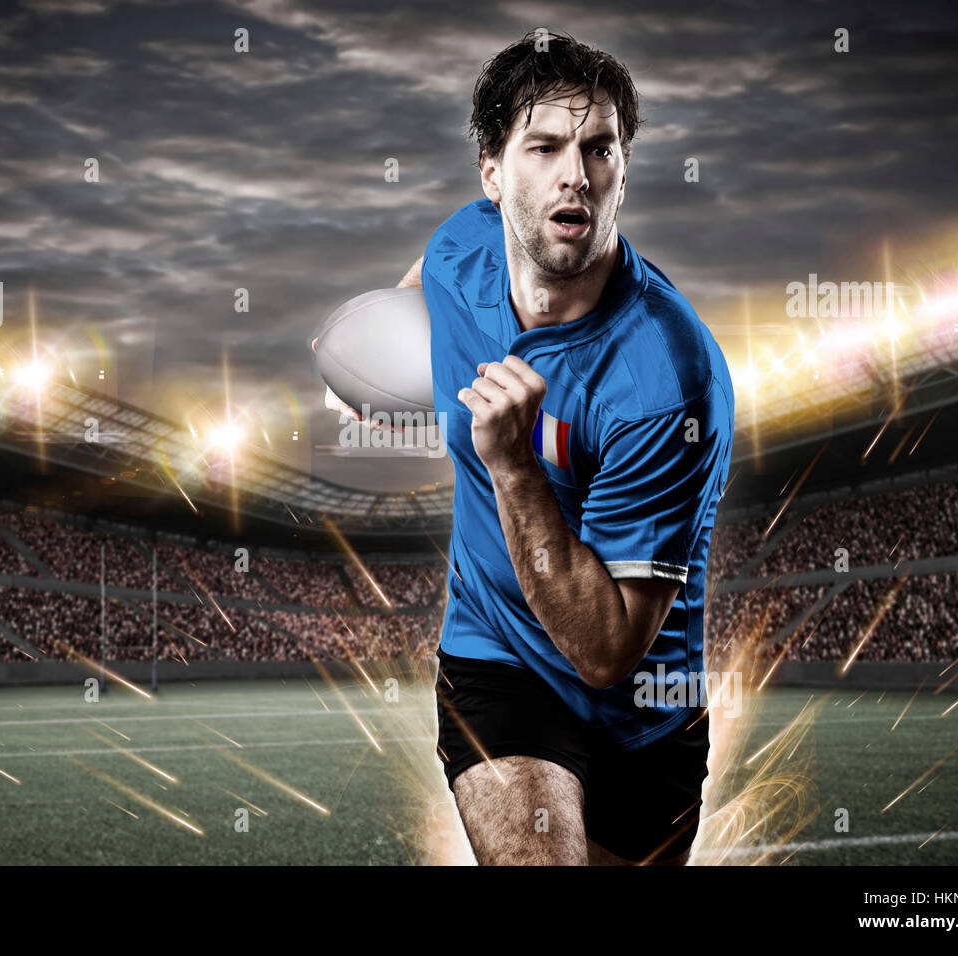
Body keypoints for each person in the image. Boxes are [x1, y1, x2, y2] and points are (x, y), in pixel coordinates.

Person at [335, 31, 734, 865]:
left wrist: (512, 465)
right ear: (492, 172)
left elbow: (606, 650)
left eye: (599, 149)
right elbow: (420, 295)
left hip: (640, 704)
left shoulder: (668, 377)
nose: (574, 174)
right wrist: (388, 383)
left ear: (624, 169)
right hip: (496, 661)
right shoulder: (458, 246)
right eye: (544, 146)